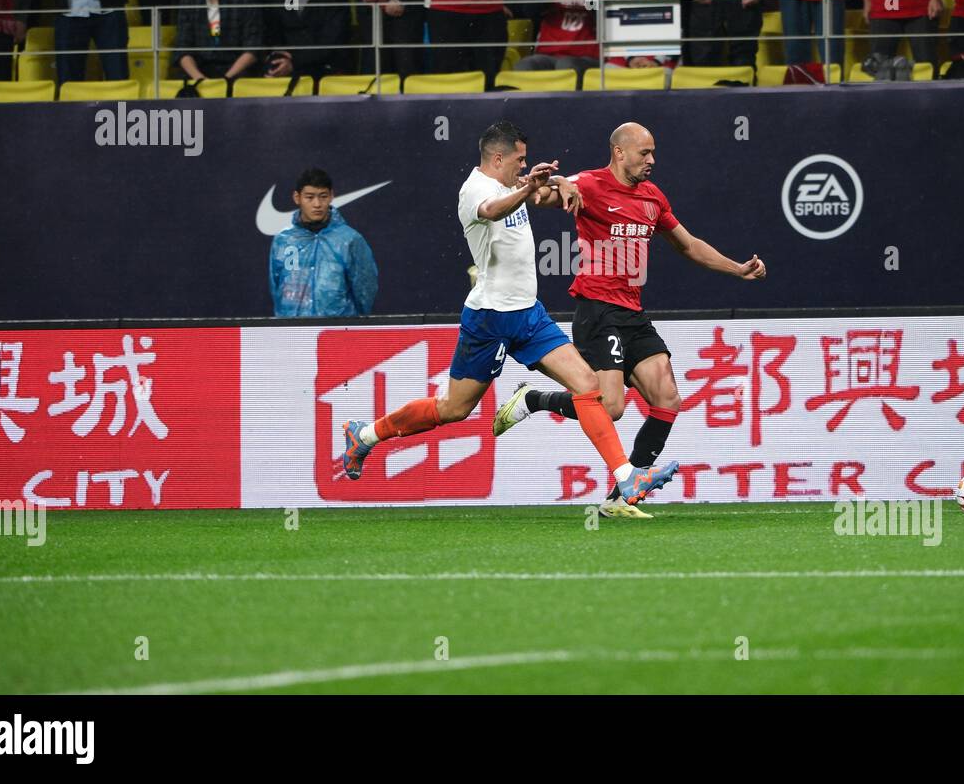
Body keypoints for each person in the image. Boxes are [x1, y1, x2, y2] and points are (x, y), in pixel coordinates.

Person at [340, 121, 680, 511]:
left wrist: (558, 183)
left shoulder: (509, 184)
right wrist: (528, 186)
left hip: (528, 315)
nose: (523, 166)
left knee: (589, 386)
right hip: (490, 317)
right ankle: (365, 435)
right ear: (497, 158)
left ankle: (625, 476)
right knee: (454, 409)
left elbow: (559, 188)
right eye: (518, 160)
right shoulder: (476, 190)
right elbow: (491, 210)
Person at [494, 121, 767, 519]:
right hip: (597, 310)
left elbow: (688, 244)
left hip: (633, 313)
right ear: (619, 152)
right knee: (612, 407)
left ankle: (620, 498)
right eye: (645, 153)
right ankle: (533, 400)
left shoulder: (653, 198)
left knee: (668, 398)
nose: (652, 160)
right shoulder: (588, 183)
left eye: (653, 152)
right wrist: (553, 182)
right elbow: (538, 196)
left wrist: (737, 269)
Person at [270, 168, 378, 317]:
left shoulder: (350, 240)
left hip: (336, 333)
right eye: (309, 197)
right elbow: (277, 288)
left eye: (323, 196)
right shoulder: (283, 240)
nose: (317, 204)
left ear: (331, 196)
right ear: (297, 197)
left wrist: (354, 327)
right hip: (294, 333)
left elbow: (364, 291)